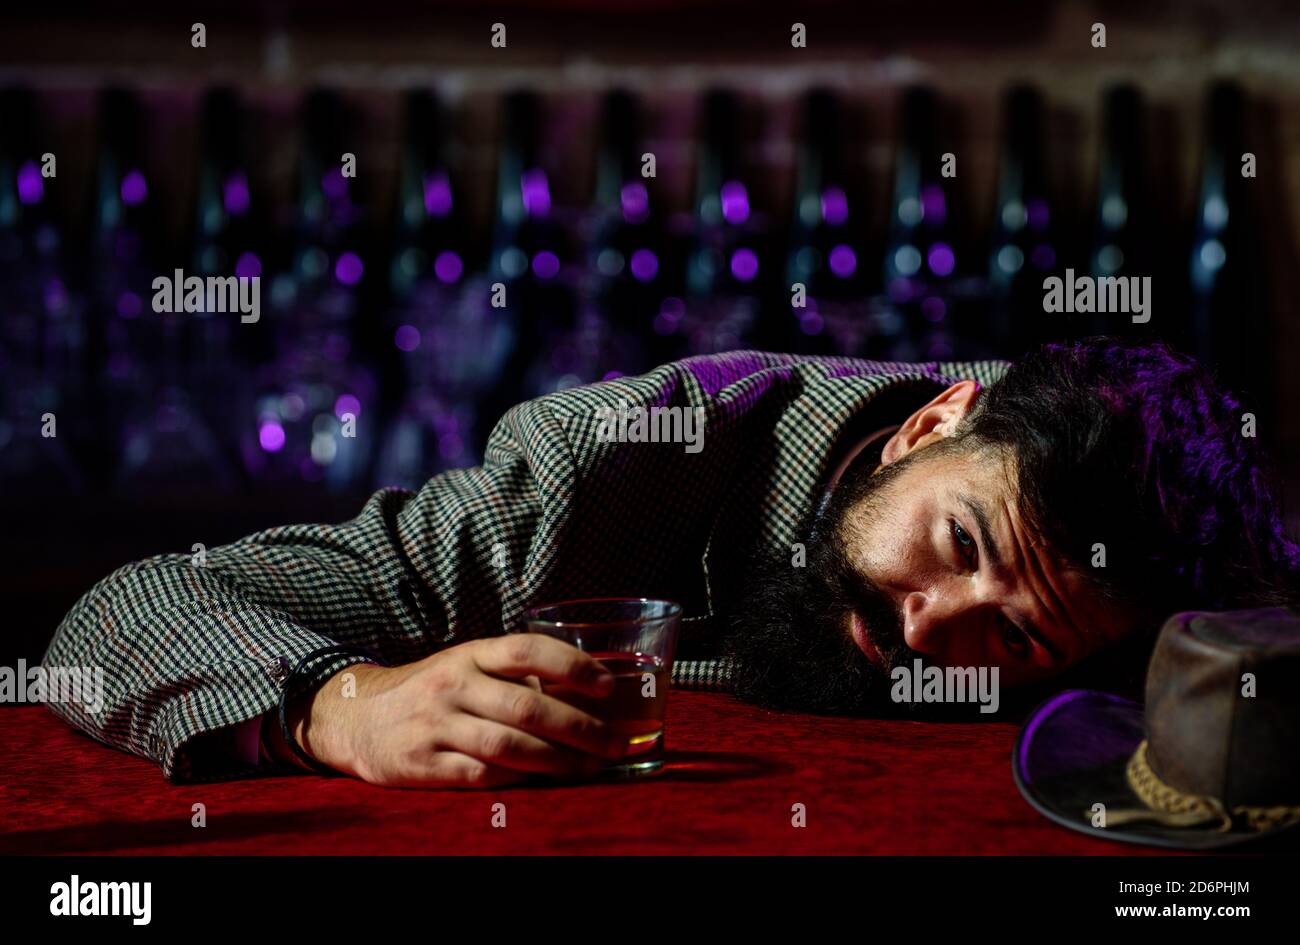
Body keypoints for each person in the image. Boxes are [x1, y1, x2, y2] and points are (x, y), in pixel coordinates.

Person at [42, 338, 1300, 788]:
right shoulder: (618, 468)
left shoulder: (1143, 583)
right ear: (929, 426)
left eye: (1012, 640)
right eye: (959, 546)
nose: (931, 632)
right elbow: (129, 604)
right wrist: (341, 707)